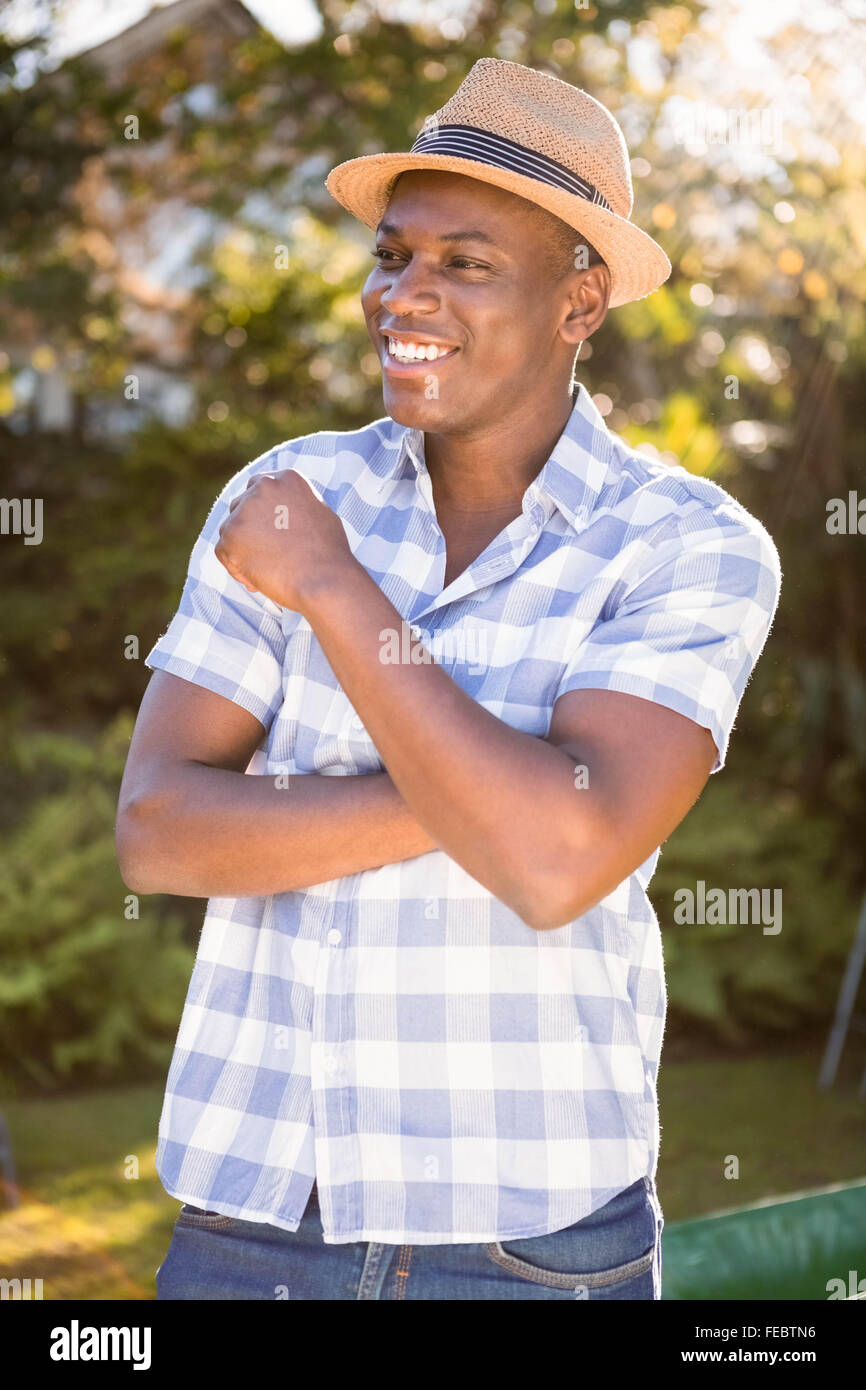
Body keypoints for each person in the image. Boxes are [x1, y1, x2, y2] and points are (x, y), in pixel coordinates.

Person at [116, 57, 781, 1300]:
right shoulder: (283, 493)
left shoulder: (687, 545)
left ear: (581, 302)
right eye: (391, 256)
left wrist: (330, 586)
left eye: (462, 264)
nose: (402, 296)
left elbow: (550, 870)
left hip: (528, 1252)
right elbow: (159, 833)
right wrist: (502, 793)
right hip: (251, 1224)